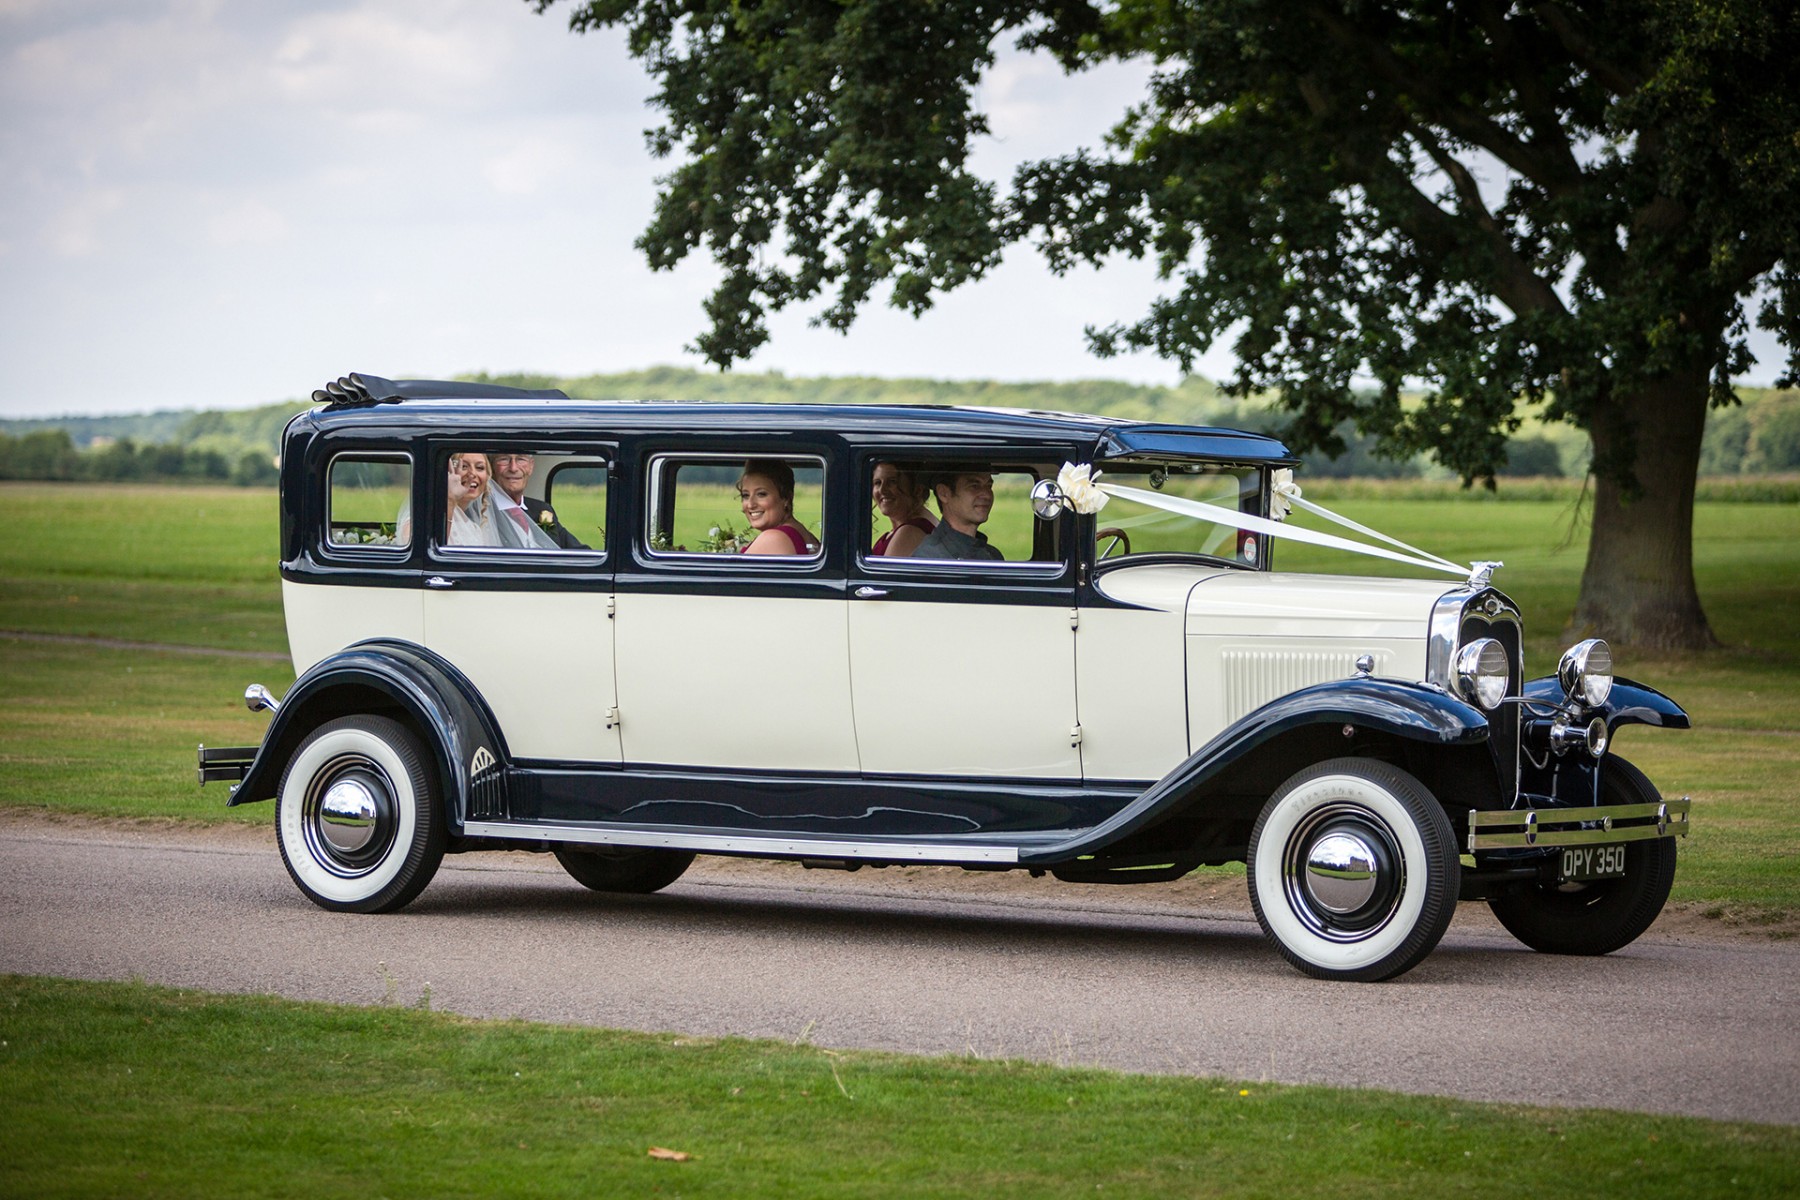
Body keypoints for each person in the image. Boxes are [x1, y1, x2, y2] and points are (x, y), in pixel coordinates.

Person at [490, 450, 587, 550]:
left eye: (521, 459)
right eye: (504, 459)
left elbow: (579, 551)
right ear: (492, 467)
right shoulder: (484, 511)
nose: (513, 468)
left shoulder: (542, 509)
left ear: (531, 466)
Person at [914, 468, 1004, 561]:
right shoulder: (930, 558)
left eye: (989, 486)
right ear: (943, 493)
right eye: (974, 486)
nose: (987, 495)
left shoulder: (993, 555)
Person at [738, 459, 817, 555]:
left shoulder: (773, 538)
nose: (750, 505)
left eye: (761, 494)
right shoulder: (806, 535)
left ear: (786, 498)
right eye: (745, 495)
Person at [871, 461, 937, 556]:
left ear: (917, 489)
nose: (882, 490)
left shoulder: (910, 532)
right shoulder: (914, 524)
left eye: (892, 482)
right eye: (877, 483)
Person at [446, 452, 503, 546]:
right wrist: (450, 499)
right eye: (464, 466)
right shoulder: (432, 514)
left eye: (480, 468)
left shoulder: (475, 529)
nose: (472, 474)